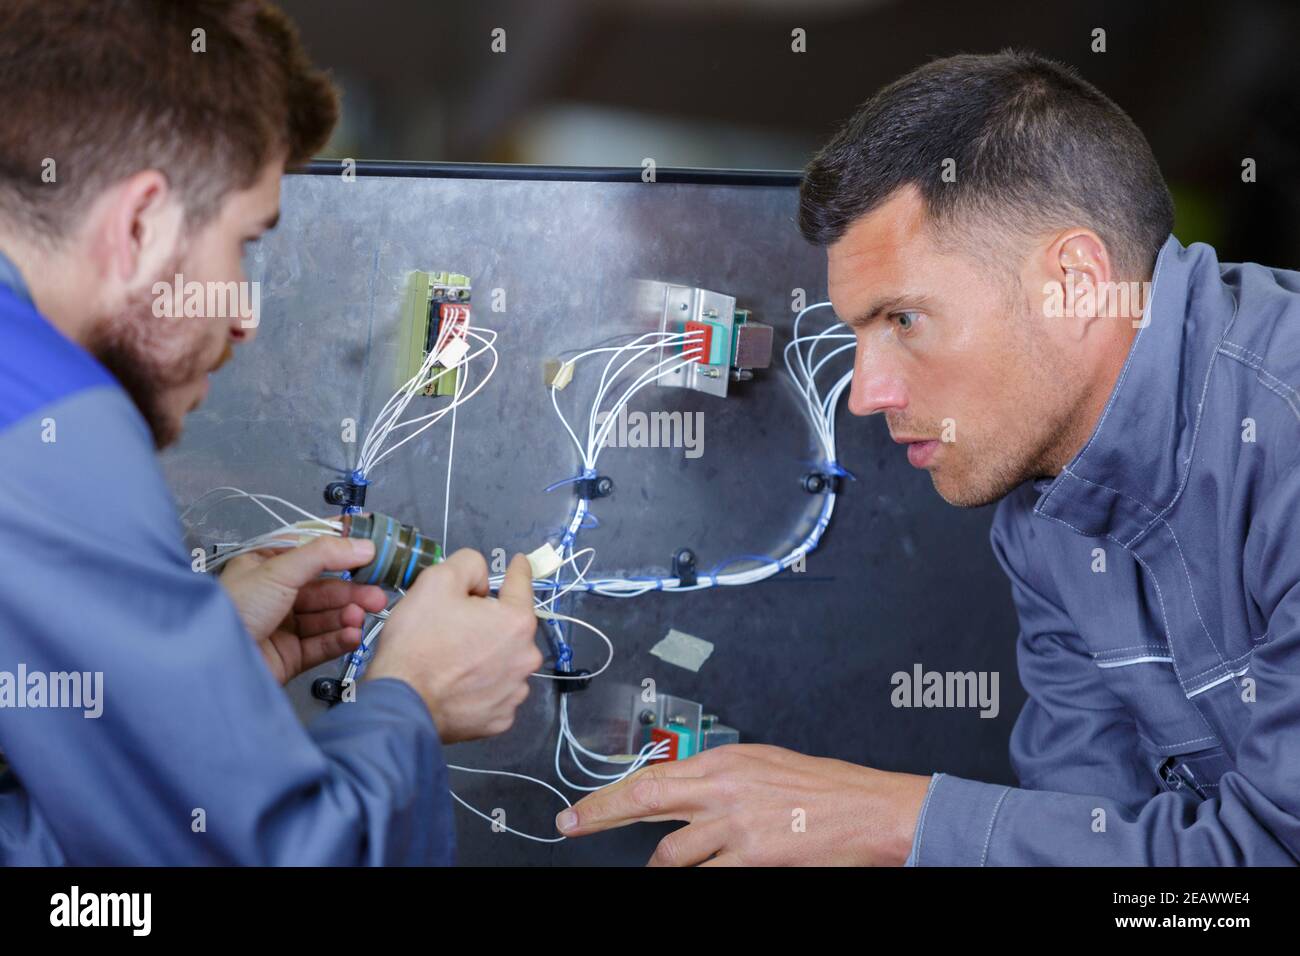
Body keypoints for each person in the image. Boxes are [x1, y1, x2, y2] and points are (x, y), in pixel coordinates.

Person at [557, 50, 1300, 866]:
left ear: (1076, 281)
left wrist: (890, 821)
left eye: (904, 320)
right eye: (857, 335)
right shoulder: (1045, 513)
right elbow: (1098, 847)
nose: (865, 394)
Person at [0, 0, 542, 865]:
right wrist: (409, 702)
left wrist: (172, 690)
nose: (245, 314)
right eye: (244, 243)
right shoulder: (53, 423)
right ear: (141, 227)